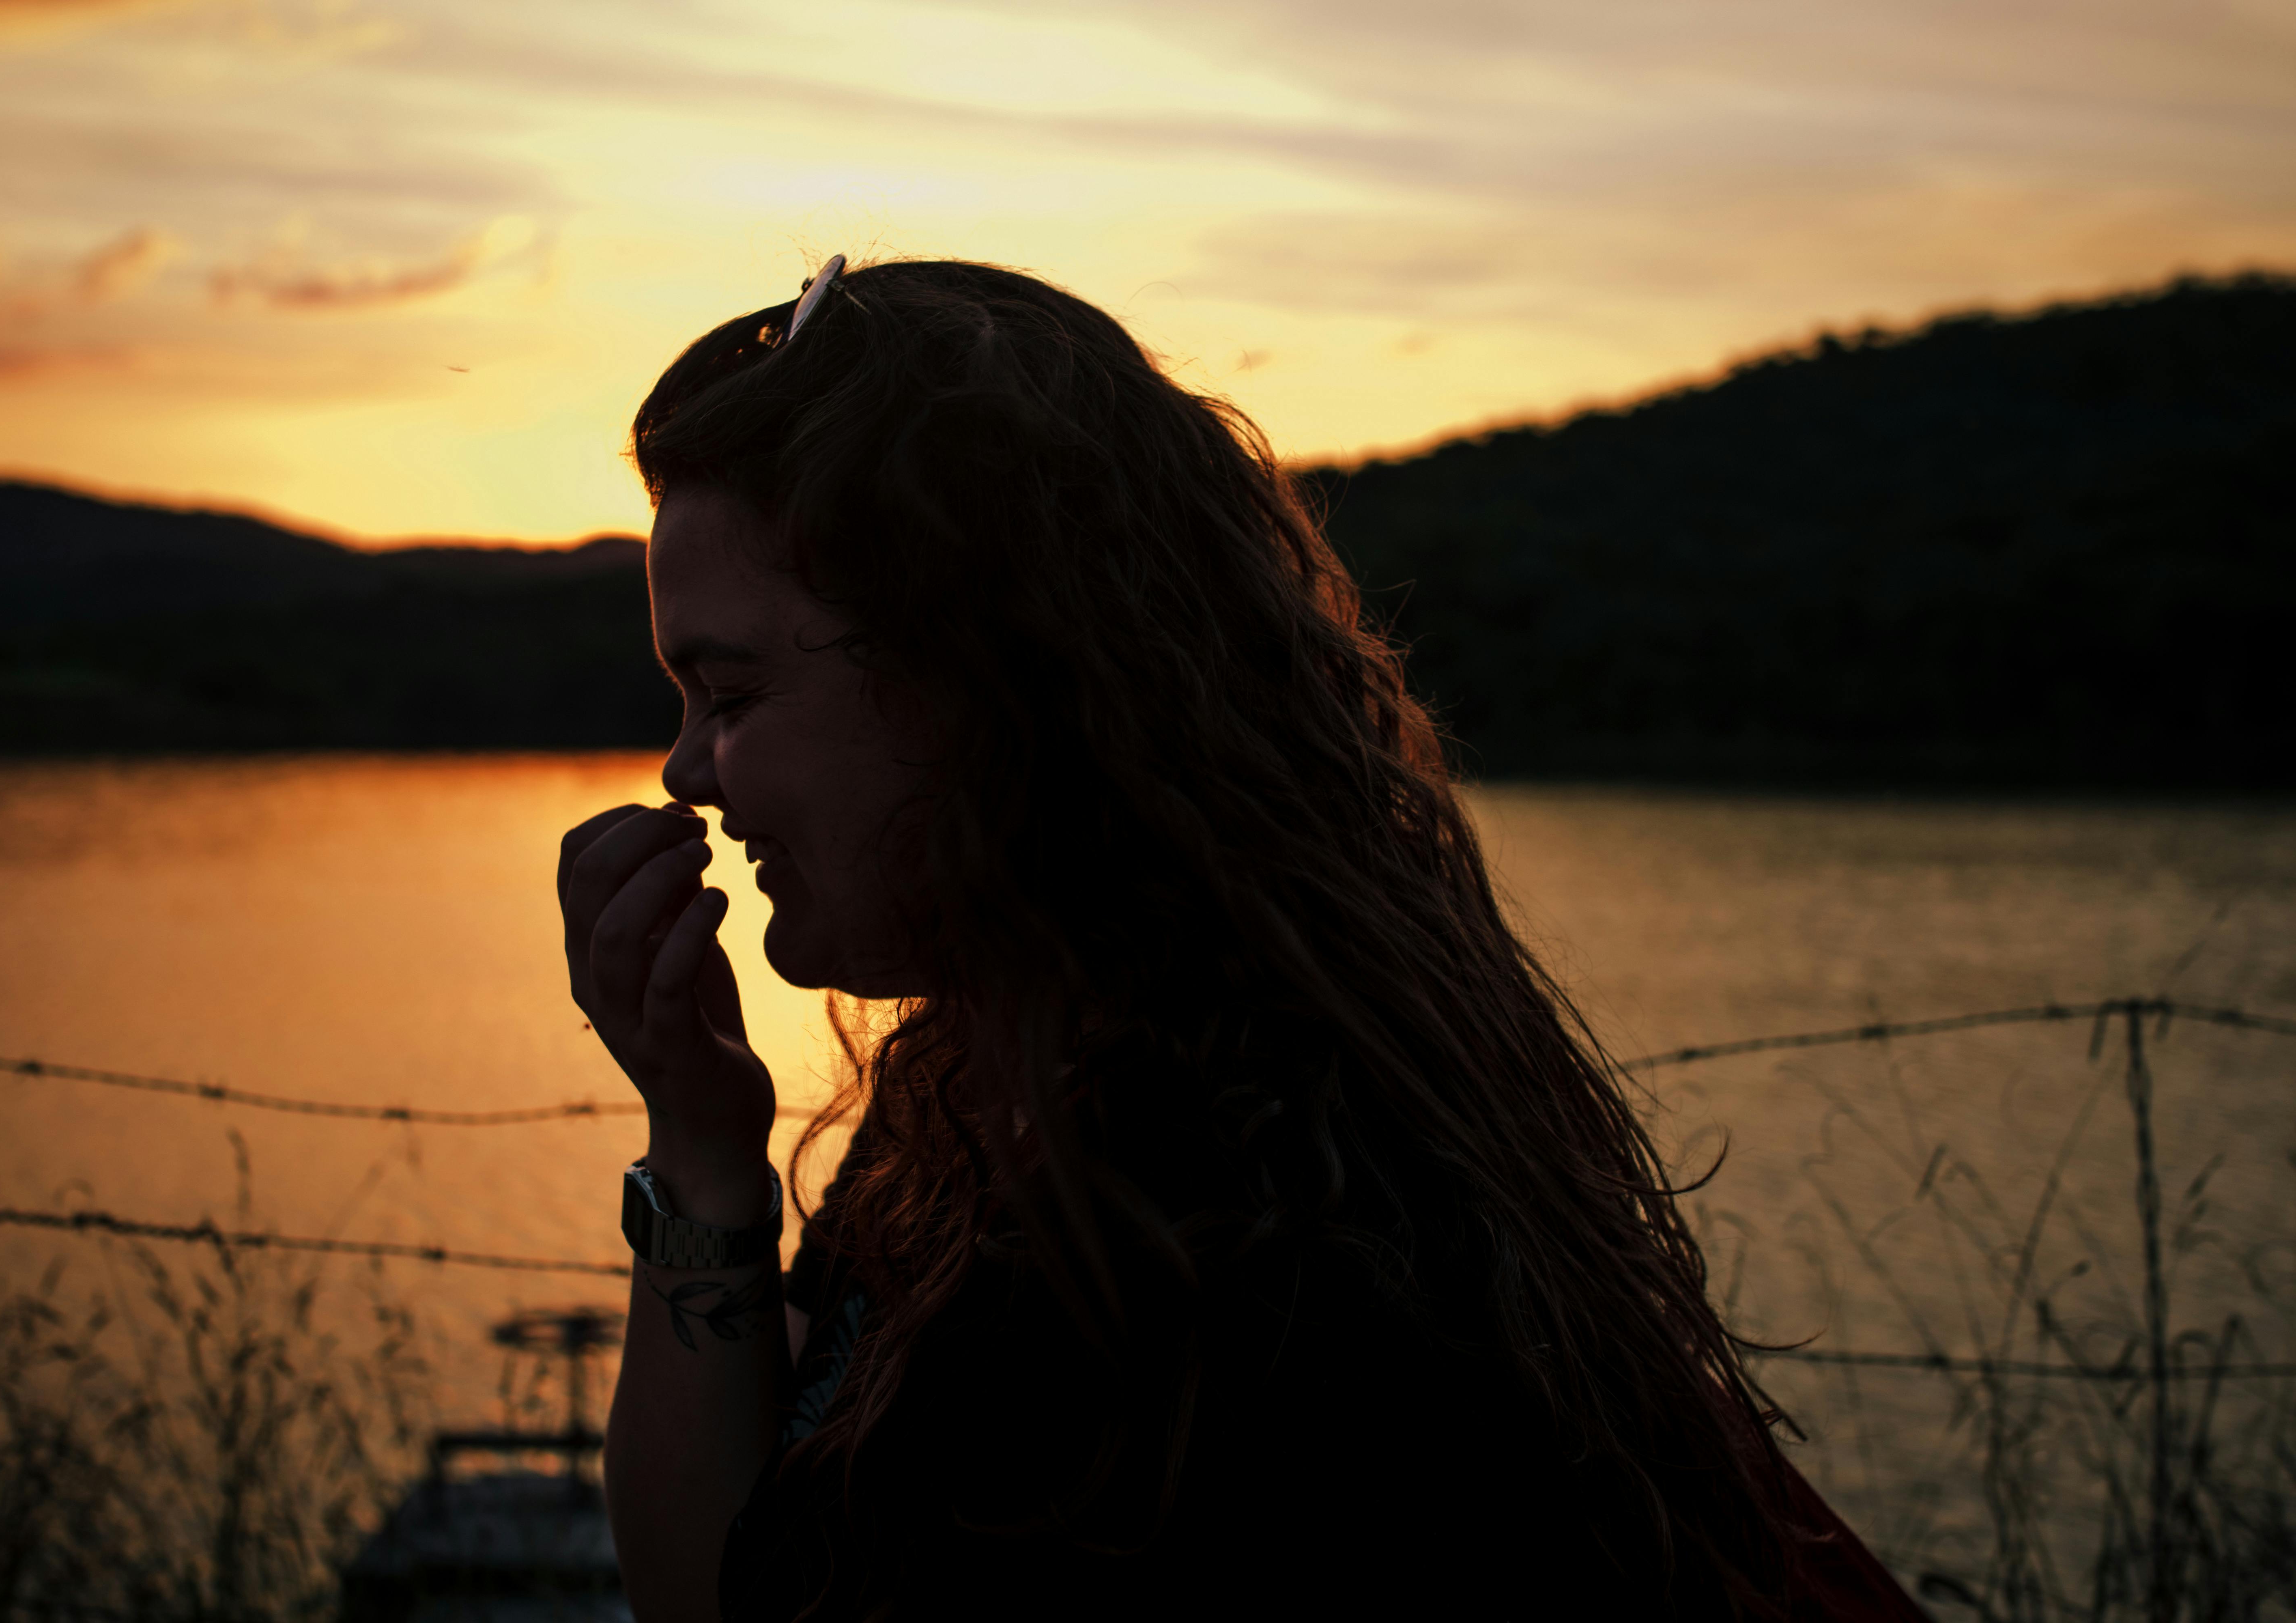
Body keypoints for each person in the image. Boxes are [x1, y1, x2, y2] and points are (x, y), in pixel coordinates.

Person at [557, 256, 1926, 1623]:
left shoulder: (1228, 1261)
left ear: (980, 679)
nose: (686, 771)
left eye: (730, 692)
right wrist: (702, 1150)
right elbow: (722, 1583)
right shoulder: (989, 1083)